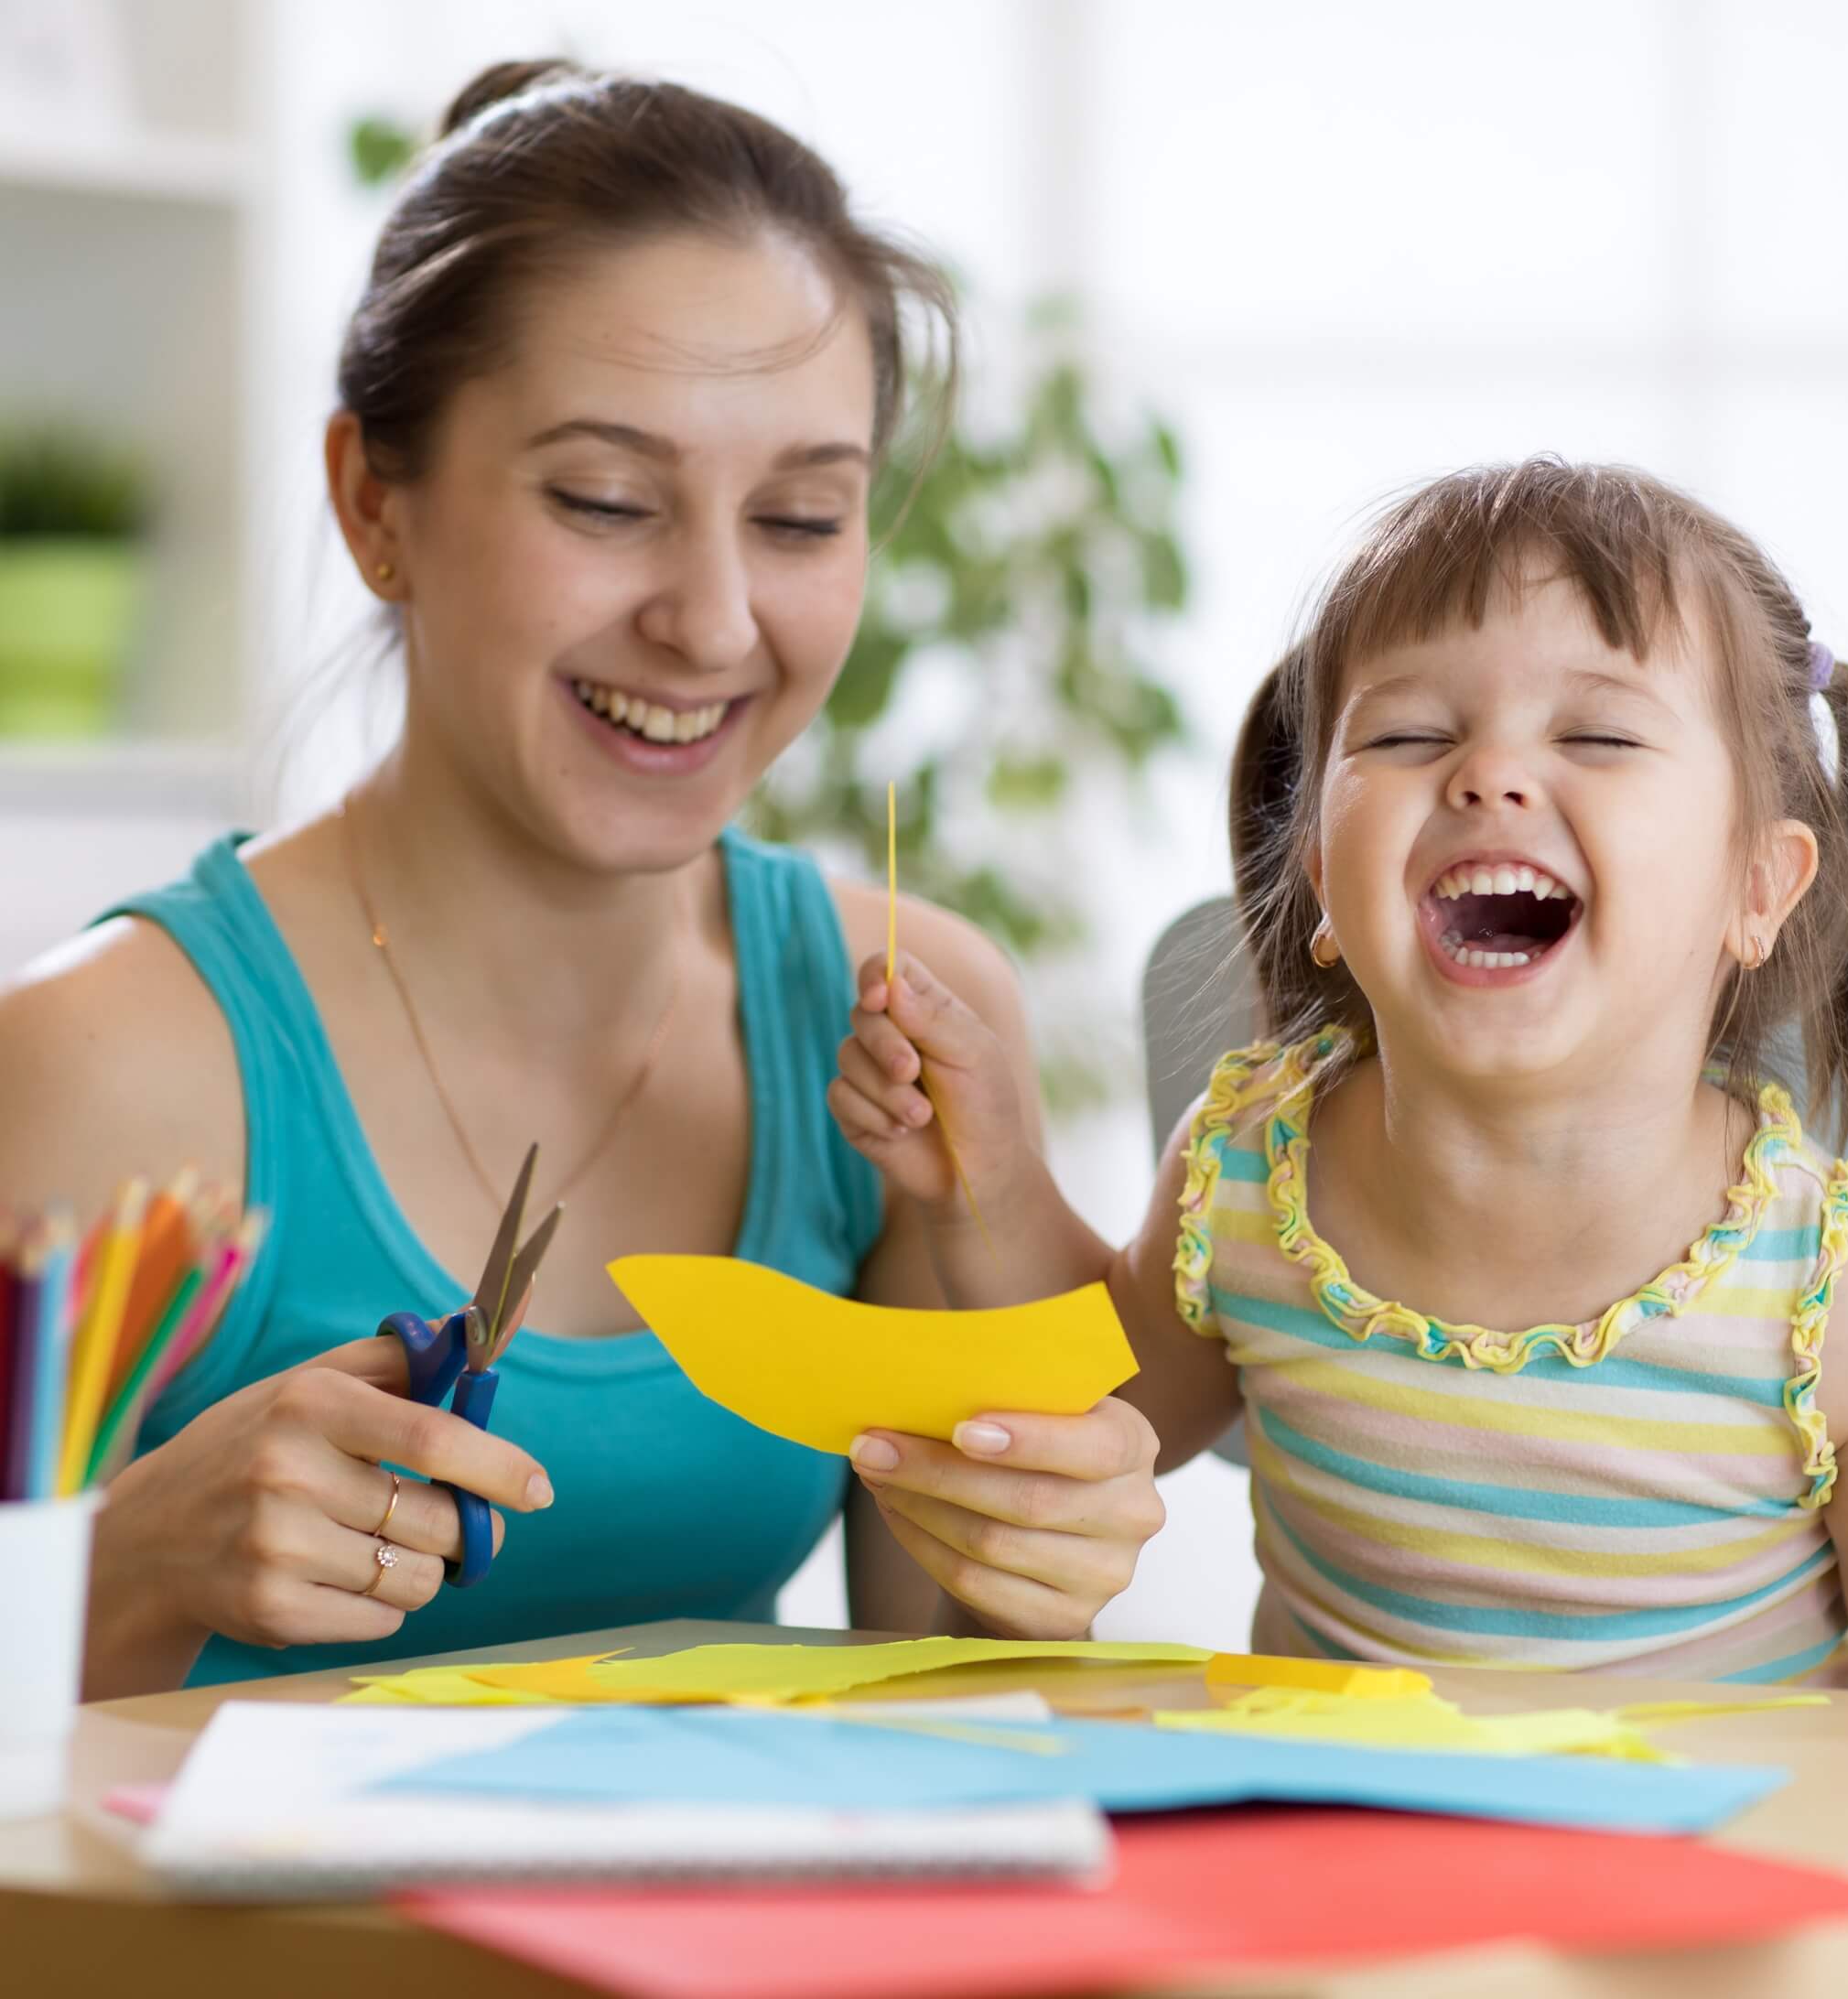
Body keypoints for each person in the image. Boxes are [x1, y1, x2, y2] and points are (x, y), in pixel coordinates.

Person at [0, 59, 1162, 1699]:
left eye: (804, 518)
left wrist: (1039, 1562)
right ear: (371, 504)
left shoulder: (896, 1013)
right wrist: (120, 1571)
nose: (712, 619)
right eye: (607, 501)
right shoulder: (105, 1063)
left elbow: (947, 1705)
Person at [834, 456, 1848, 1691]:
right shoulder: (1246, 1171)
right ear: (1324, 878)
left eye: (1597, 734)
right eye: (1408, 735)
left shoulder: (1840, 1289)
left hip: (1712, 1878)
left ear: (1756, 887)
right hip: (1333, 1859)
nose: (1486, 775)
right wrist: (987, 1179)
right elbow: (1104, 1400)